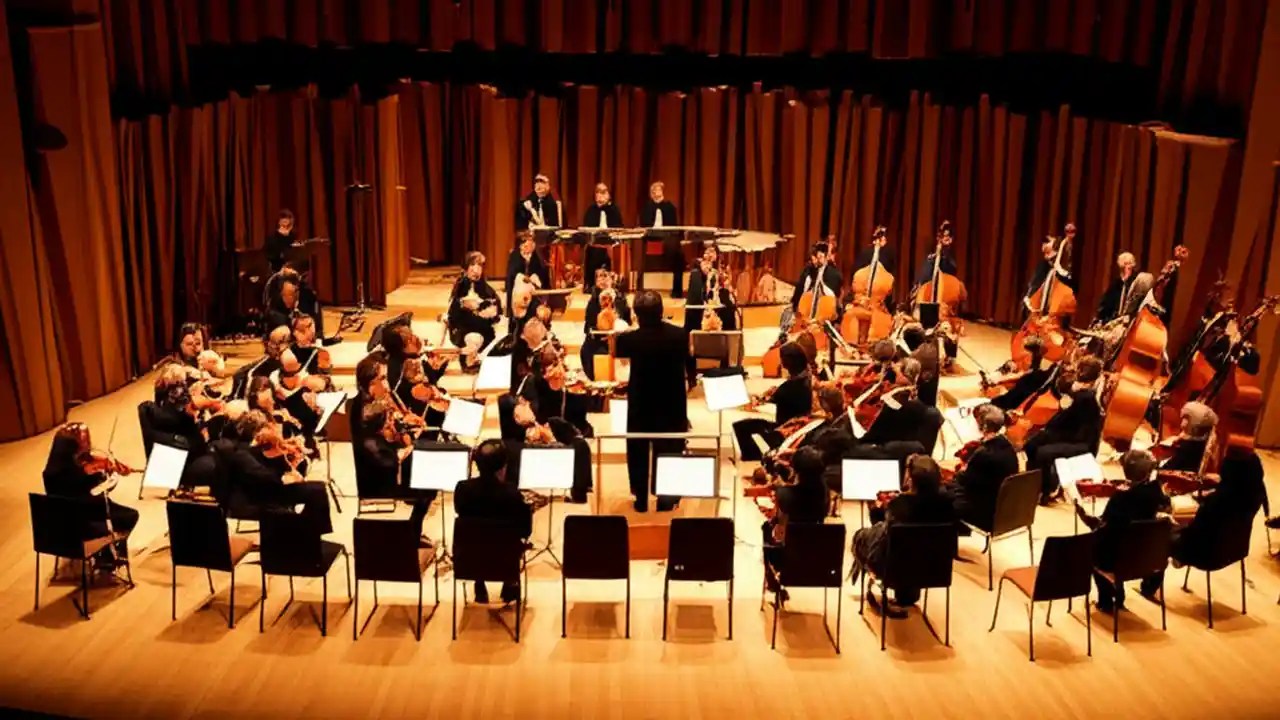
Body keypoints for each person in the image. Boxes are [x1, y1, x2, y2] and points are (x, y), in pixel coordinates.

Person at [850, 455, 956, 618]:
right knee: (916, 545)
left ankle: (886, 584)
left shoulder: (899, 505)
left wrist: (877, 510)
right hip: (934, 569)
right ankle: (907, 594)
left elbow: (884, 541)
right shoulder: (948, 502)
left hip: (892, 569)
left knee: (863, 536)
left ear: (911, 479)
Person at [615, 290, 690, 512]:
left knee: (638, 448)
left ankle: (640, 498)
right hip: (672, 402)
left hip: (641, 403)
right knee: (669, 446)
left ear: (637, 315)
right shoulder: (679, 335)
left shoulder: (629, 340)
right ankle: (666, 497)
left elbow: (617, 351)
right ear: (661, 311)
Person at [1074, 449, 1170, 614]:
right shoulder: (1155, 492)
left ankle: (1108, 601)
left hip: (1119, 559)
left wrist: (1087, 517)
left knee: (1093, 550)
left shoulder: (1120, 498)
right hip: (1147, 557)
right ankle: (1148, 588)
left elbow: (1104, 528)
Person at [214, 410, 333, 535]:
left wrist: (286, 458)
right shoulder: (241, 452)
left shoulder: (261, 446)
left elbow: (275, 473)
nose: (273, 429)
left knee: (318, 490)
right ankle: (305, 534)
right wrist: (283, 474)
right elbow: (261, 475)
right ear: (258, 431)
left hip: (270, 490)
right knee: (313, 493)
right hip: (255, 499)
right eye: (269, 426)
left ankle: (313, 534)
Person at [42, 424, 141, 570]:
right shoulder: (73, 474)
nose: (86, 449)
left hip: (60, 523)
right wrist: (105, 473)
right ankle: (107, 553)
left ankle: (107, 554)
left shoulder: (51, 470)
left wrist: (107, 468)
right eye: (81, 446)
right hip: (80, 521)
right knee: (129, 516)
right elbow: (92, 484)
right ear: (70, 449)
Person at [453, 440, 532, 604]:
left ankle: (479, 582)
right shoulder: (511, 493)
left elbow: (462, 514)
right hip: (504, 557)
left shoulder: (462, 489)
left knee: (477, 533)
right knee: (511, 537)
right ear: (503, 467)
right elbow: (525, 529)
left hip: (471, 558)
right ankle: (509, 582)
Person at [1170, 445, 1269, 571]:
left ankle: (1150, 583)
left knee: (1158, 529)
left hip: (1205, 555)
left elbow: (1195, 530)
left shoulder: (1216, 504)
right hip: (1235, 549)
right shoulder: (1256, 494)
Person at [1022, 354, 1105, 503]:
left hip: (1082, 443)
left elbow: (1073, 424)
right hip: (1066, 434)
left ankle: (1048, 489)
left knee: (1043, 453)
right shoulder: (1075, 390)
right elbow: (1063, 418)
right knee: (1031, 444)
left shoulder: (1087, 397)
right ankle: (1032, 485)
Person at [354, 399, 434, 530]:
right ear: (380, 424)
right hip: (380, 487)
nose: (391, 422)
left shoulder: (372, 437)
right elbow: (391, 466)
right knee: (425, 493)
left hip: (384, 477)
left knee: (425, 485)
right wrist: (406, 451)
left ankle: (413, 531)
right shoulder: (372, 445)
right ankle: (412, 533)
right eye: (388, 420)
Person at [762, 447, 831, 598]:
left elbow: (779, 523)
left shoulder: (784, 495)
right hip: (820, 559)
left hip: (787, 559)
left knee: (766, 528)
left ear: (796, 470)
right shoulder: (825, 496)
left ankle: (772, 581)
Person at [733, 343, 811, 462]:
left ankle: (754, 458)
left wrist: (757, 399)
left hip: (785, 429)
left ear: (788, 361)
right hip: (797, 424)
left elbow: (765, 402)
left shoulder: (791, 386)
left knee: (741, 426)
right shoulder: (805, 376)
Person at [951, 405, 1020, 530]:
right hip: (1006, 510)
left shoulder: (984, 454)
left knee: (939, 499)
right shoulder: (1009, 447)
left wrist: (960, 471)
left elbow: (963, 481)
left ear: (984, 426)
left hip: (985, 513)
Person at [447, 251, 502, 369]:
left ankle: (475, 358)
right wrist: (465, 306)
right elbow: (453, 315)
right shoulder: (460, 287)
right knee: (473, 338)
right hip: (464, 329)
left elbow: (497, 310)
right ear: (466, 268)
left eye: (479, 265)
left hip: (484, 328)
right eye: (472, 265)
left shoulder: (487, 289)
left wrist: (491, 312)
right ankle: (467, 358)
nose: (475, 269)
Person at [581, 269, 632, 381]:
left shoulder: (620, 298)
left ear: (611, 279)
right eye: (600, 276)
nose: (603, 279)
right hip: (598, 340)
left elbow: (627, 321)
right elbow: (588, 326)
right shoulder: (593, 301)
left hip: (619, 339)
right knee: (587, 350)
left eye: (605, 276)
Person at [638, 181, 682, 296]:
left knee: (677, 253)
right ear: (651, 193)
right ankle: (640, 288)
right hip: (651, 238)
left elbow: (674, 226)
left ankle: (677, 290)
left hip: (667, 237)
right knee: (638, 250)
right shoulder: (646, 207)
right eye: (654, 191)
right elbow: (643, 225)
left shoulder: (670, 207)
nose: (656, 193)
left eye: (659, 190)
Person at [684, 243, 738, 332]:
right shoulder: (696, 273)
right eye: (707, 252)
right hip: (702, 308)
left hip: (717, 304)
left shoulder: (720, 269)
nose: (709, 255)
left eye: (712, 251)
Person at [581, 183, 624, 294]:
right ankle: (591, 285)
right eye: (598, 193)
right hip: (595, 244)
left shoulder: (614, 209)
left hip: (611, 244)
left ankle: (614, 285)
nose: (600, 196)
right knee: (592, 251)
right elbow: (586, 227)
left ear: (608, 195)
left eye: (603, 193)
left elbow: (619, 227)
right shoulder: (591, 210)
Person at [1159, 401, 1217, 472]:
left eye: (1187, 418)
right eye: (1184, 418)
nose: (1182, 423)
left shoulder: (1190, 447)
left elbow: (1167, 470)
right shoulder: (1199, 438)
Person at [790, 242, 842, 315]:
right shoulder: (808, 271)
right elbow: (798, 292)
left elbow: (832, 302)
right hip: (803, 312)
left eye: (832, 253)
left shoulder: (834, 275)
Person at [505, 232, 550, 316]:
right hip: (518, 286)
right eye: (525, 245)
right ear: (521, 246)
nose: (528, 247)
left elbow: (541, 272)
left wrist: (533, 279)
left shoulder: (536, 256)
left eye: (531, 245)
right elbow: (512, 274)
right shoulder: (515, 256)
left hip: (533, 286)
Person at [1095, 252, 1138, 324]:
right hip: (1113, 322)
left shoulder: (1136, 283)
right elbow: (1104, 306)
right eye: (1126, 264)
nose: (1129, 267)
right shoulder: (1115, 285)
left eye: (1130, 264)